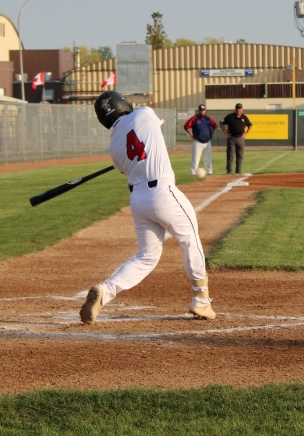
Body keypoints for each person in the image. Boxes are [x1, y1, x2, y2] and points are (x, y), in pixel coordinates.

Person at [80, 91, 215, 324]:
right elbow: (154, 127)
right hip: (163, 192)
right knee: (190, 240)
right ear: (123, 104)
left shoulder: (114, 147)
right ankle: (201, 301)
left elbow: (126, 165)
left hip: (138, 200)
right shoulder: (145, 113)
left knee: (146, 256)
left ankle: (106, 290)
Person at [184, 104, 217, 176]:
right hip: (197, 141)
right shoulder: (194, 118)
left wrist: (212, 134)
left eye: (203, 110)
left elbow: (215, 126)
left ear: (205, 110)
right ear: (198, 110)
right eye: (201, 110)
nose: (202, 111)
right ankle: (193, 172)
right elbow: (186, 126)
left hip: (207, 141)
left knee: (208, 158)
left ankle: (209, 171)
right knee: (195, 158)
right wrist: (192, 135)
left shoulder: (208, 118)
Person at [220, 103, 252, 175]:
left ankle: (238, 171)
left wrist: (247, 133)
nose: (238, 110)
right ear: (235, 109)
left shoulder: (244, 117)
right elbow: (221, 122)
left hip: (240, 138)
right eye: (237, 109)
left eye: (240, 109)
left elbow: (250, 125)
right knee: (230, 155)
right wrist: (225, 132)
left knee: (240, 155)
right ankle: (230, 171)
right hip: (232, 138)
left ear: (242, 109)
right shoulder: (230, 117)